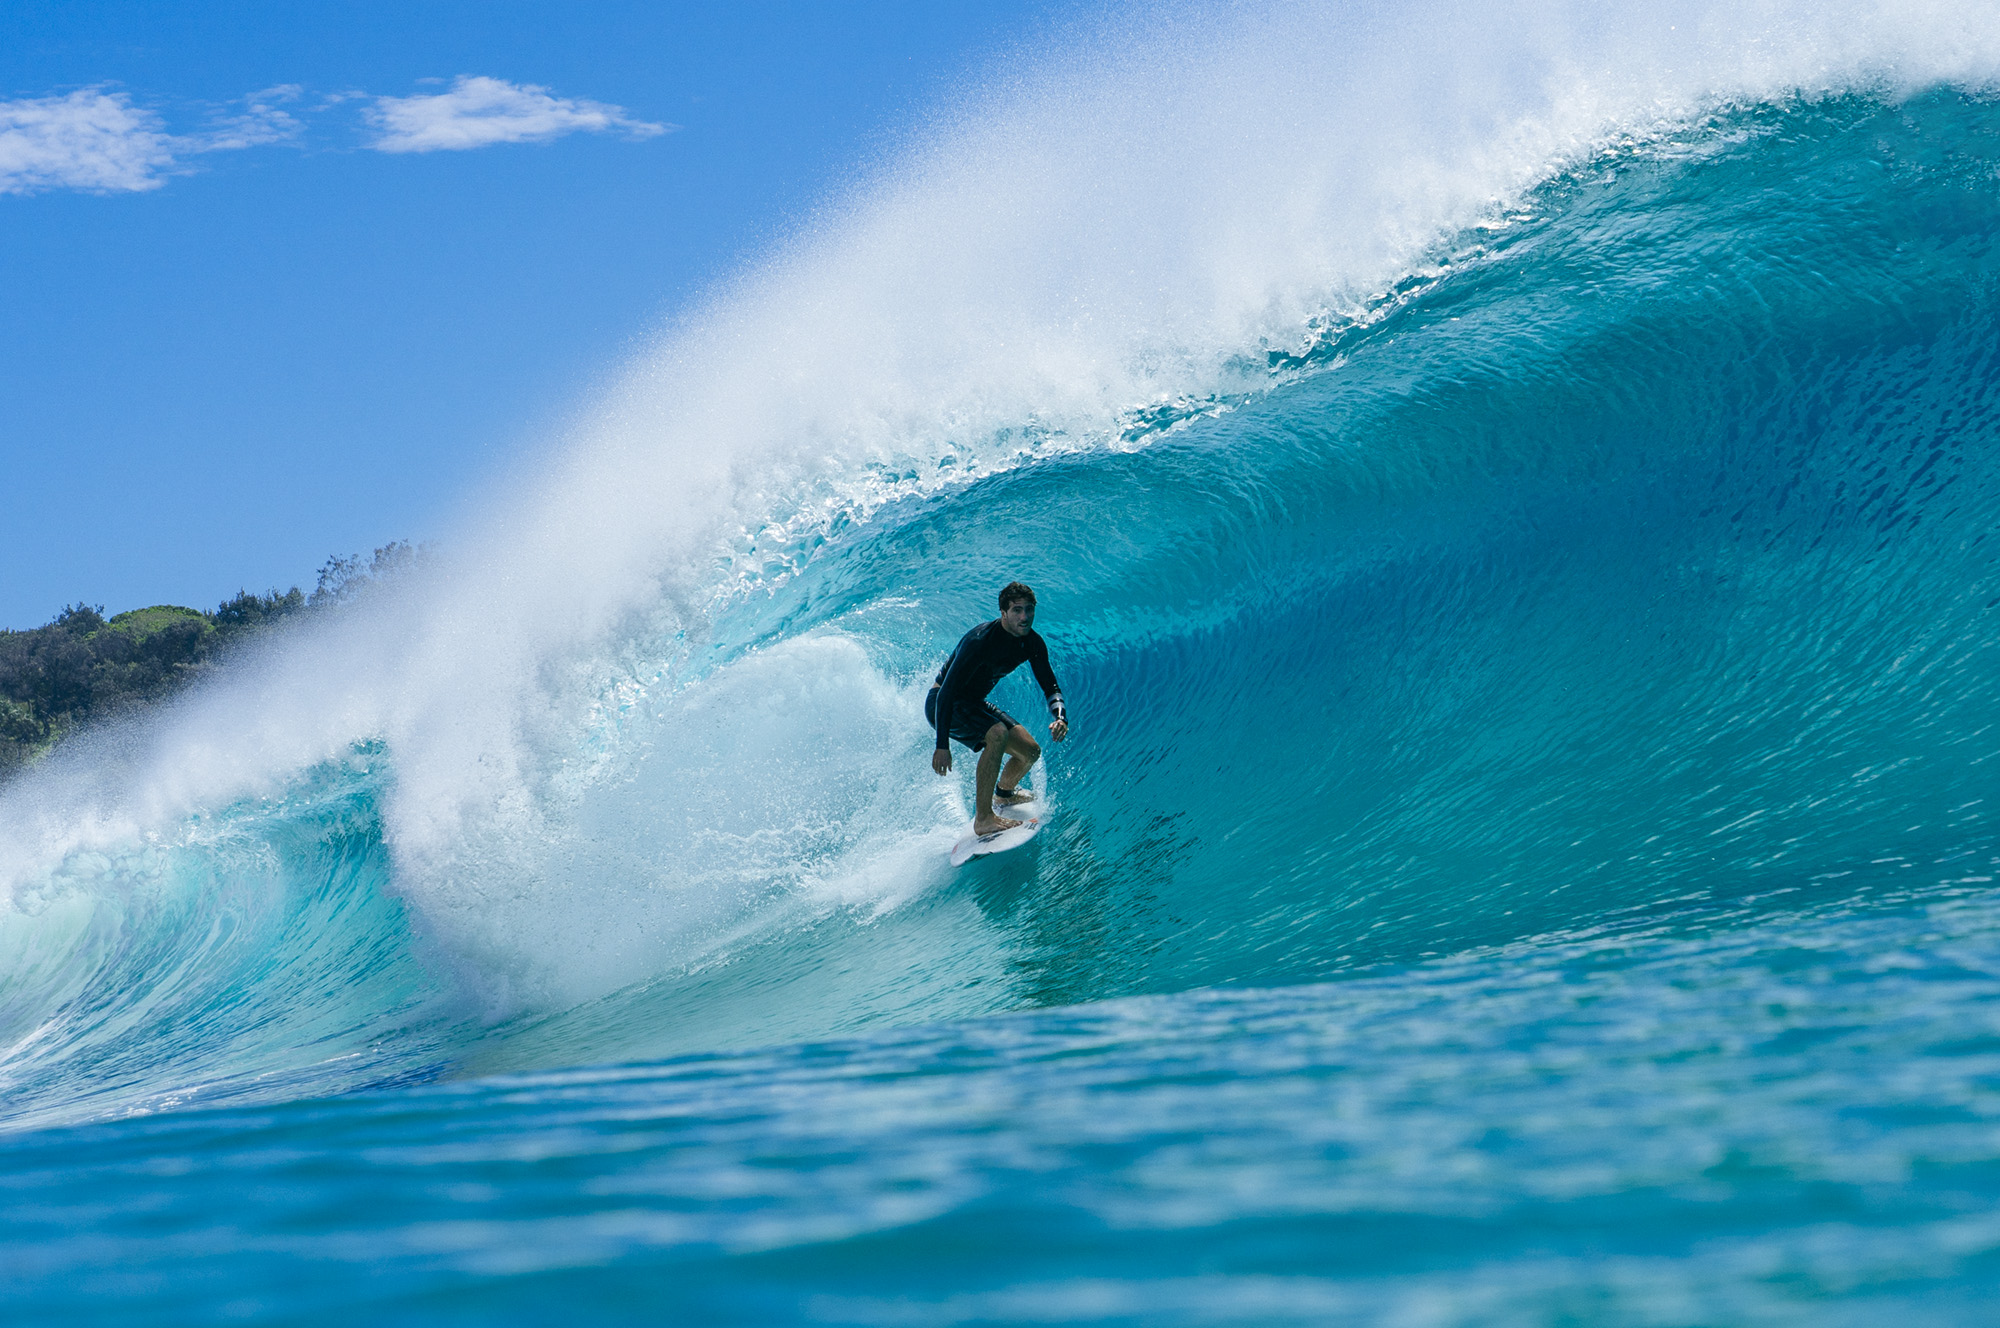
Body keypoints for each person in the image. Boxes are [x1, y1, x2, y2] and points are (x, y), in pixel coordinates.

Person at [927, 581, 1070, 836]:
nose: (1024, 617)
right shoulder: (979, 641)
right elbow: (946, 694)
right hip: (942, 702)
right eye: (1017, 610)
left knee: (1030, 751)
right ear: (1003, 613)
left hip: (973, 703)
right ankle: (983, 819)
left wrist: (1060, 717)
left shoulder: (1032, 643)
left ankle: (1004, 794)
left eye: (1029, 609)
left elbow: (1050, 685)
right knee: (997, 734)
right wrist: (941, 745)